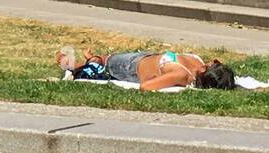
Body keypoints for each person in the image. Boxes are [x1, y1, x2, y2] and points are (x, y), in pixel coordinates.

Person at [56, 47, 235, 91]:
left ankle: (76, 63)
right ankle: (91, 59)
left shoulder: (180, 74)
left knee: (103, 60)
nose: (213, 61)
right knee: (104, 58)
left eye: (214, 64)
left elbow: (145, 87)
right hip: (147, 56)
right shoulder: (197, 63)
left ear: (205, 71)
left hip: (131, 67)